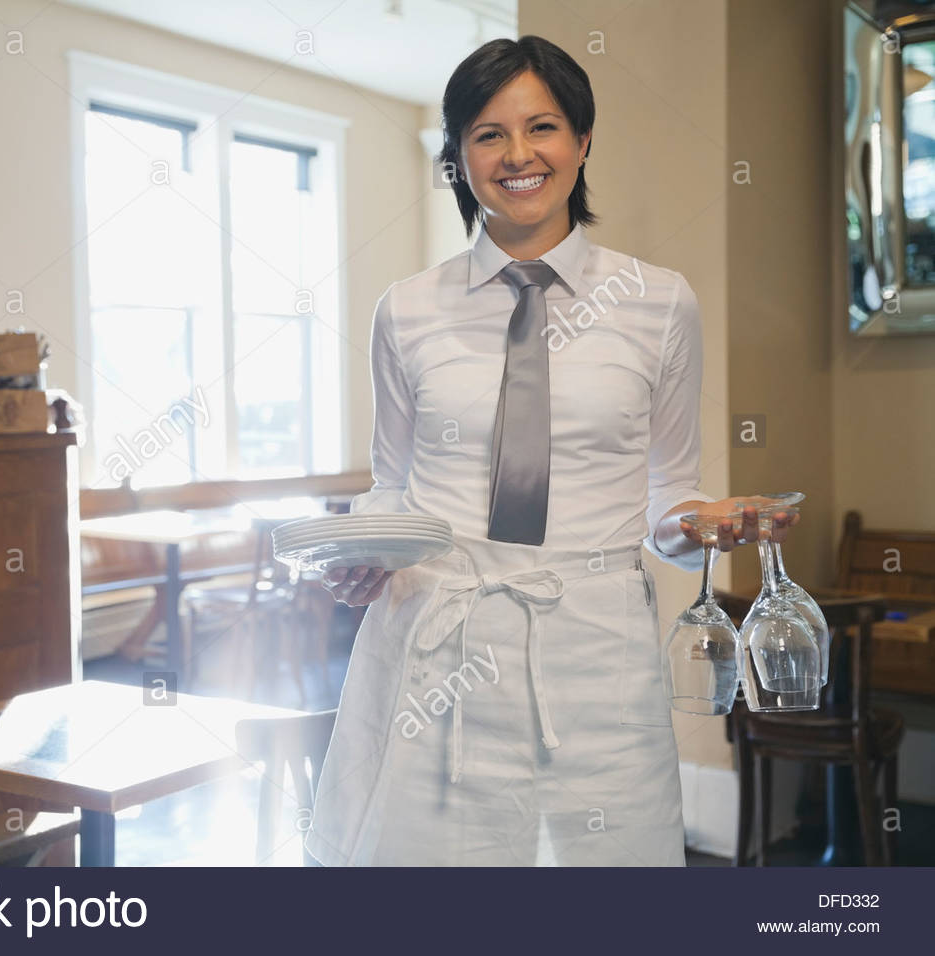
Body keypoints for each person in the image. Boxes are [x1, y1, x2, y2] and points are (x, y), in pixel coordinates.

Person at [304, 35, 798, 867]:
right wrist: (367, 554)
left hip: (597, 651)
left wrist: (704, 524)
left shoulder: (660, 304)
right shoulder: (406, 310)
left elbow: (665, 504)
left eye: (544, 127)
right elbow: (395, 483)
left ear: (583, 142)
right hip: (439, 640)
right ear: (458, 158)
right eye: (488, 133)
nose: (519, 154)